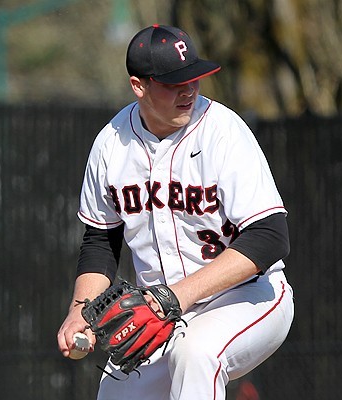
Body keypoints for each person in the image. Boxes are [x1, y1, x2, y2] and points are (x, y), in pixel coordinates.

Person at [56, 24, 294, 400]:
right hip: (158, 312)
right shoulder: (111, 145)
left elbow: (270, 237)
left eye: (194, 78)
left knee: (196, 352)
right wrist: (79, 311)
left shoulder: (223, 132)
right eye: (172, 83)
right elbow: (101, 240)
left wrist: (172, 297)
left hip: (248, 297)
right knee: (117, 394)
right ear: (139, 86)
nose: (188, 90)